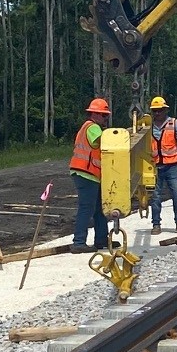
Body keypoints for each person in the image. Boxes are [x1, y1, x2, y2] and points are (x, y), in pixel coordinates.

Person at [69, 97, 111, 252]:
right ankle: (78, 242)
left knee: (99, 208)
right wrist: (116, 136)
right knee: (87, 207)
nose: (106, 118)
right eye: (105, 115)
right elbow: (100, 141)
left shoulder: (88, 126)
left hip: (89, 173)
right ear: (96, 114)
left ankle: (101, 240)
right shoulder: (93, 127)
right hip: (86, 173)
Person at [147, 94, 177, 234]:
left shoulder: (174, 123)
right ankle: (156, 224)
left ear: (165, 110)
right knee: (155, 197)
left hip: (172, 166)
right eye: (155, 110)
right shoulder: (148, 127)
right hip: (155, 167)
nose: (157, 113)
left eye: (160, 110)